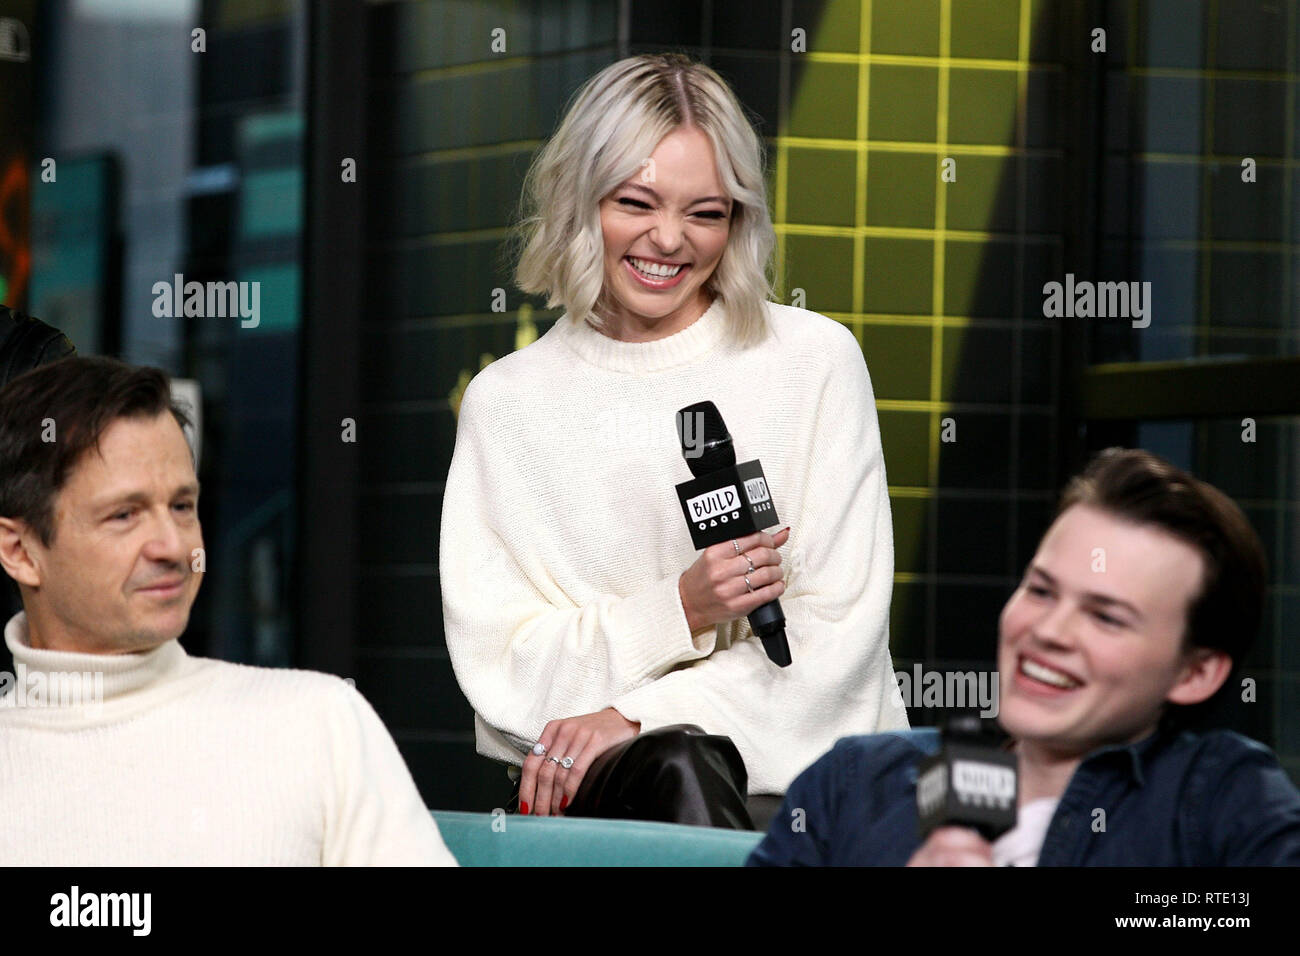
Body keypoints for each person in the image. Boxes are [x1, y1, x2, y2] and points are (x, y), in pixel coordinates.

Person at [440, 53, 908, 827]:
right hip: (606, 818)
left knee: (682, 761)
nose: (669, 240)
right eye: (637, 202)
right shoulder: (507, 405)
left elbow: (839, 649)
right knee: (678, 769)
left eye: (706, 212)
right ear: (581, 199)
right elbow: (506, 678)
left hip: (820, 806)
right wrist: (677, 609)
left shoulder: (814, 362)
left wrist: (632, 717)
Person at [0, 356, 457, 865]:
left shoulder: (316, 723)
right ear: (19, 551)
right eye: (124, 515)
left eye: (181, 506)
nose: (173, 546)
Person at [748, 448, 1300, 865]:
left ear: (1195, 672)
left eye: (1106, 617)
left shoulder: (1222, 796)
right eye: (1041, 591)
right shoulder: (857, 784)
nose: (1049, 631)